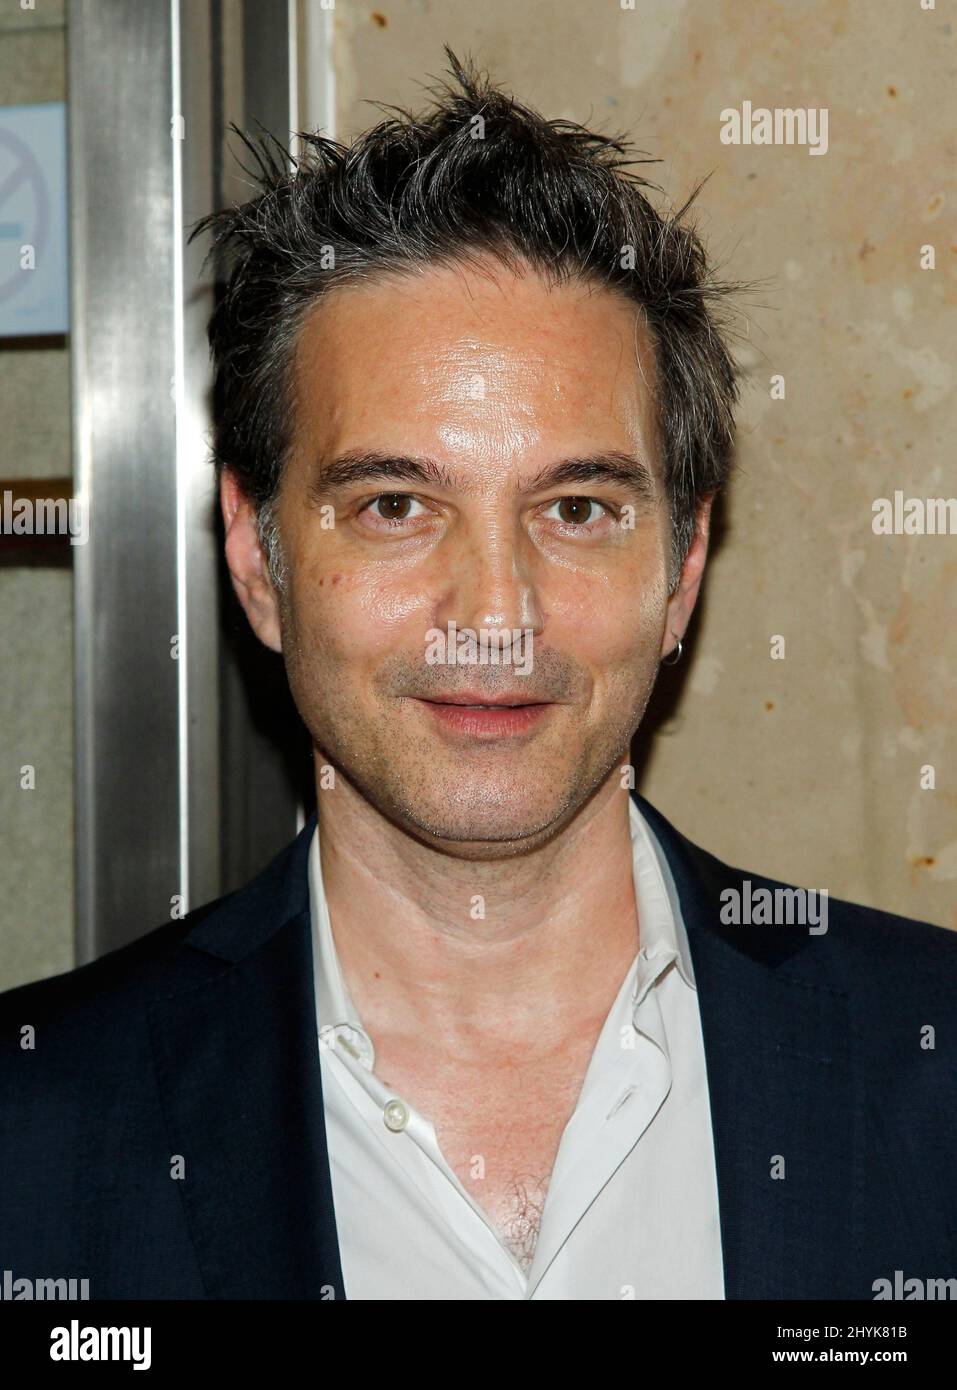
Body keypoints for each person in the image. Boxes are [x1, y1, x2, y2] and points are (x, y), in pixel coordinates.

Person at [2, 48, 955, 1302]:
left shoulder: (927, 1068)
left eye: (576, 509)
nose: (496, 615)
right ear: (256, 556)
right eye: (396, 503)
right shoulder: (37, 1139)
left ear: (683, 565)